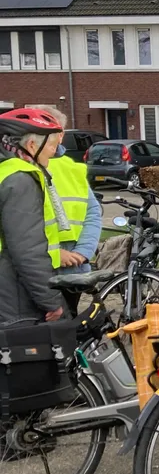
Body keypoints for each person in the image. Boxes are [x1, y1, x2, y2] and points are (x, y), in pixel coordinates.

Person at [0, 108, 66, 325]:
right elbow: (27, 249)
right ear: (31, 146)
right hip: (16, 299)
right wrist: (51, 300)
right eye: (52, 145)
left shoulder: (4, 172)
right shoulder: (20, 180)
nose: (54, 152)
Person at [33, 106, 102, 314]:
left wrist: (82, 252)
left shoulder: (72, 168)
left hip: (73, 268)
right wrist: (54, 253)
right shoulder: (22, 168)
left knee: (68, 321)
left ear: (61, 134)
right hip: (38, 268)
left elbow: (92, 213)